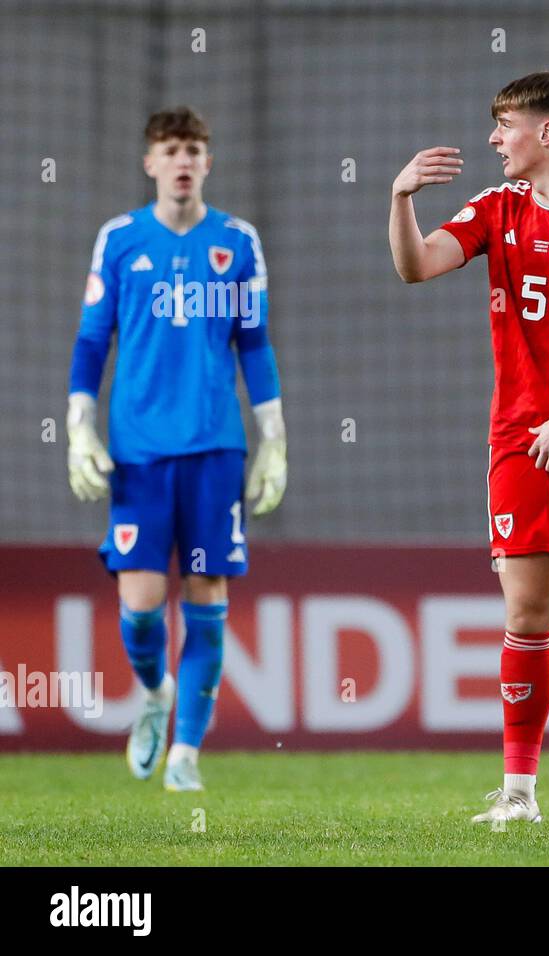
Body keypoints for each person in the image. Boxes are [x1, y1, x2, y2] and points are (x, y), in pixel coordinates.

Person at [388, 70, 549, 825]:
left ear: (548, 132)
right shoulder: (499, 209)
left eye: (505, 126)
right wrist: (400, 199)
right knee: (529, 615)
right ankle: (520, 795)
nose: (495, 140)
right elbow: (415, 265)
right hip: (516, 442)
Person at [67, 105, 287, 792]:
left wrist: (272, 437)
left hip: (215, 449)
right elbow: (92, 341)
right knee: (139, 607)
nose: (183, 160)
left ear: (207, 162)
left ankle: (186, 756)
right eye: (170, 149)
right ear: (150, 163)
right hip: (139, 452)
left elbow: (253, 344)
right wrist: (79, 422)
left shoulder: (238, 241)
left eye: (193, 148)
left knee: (207, 600)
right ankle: (157, 695)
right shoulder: (121, 239)